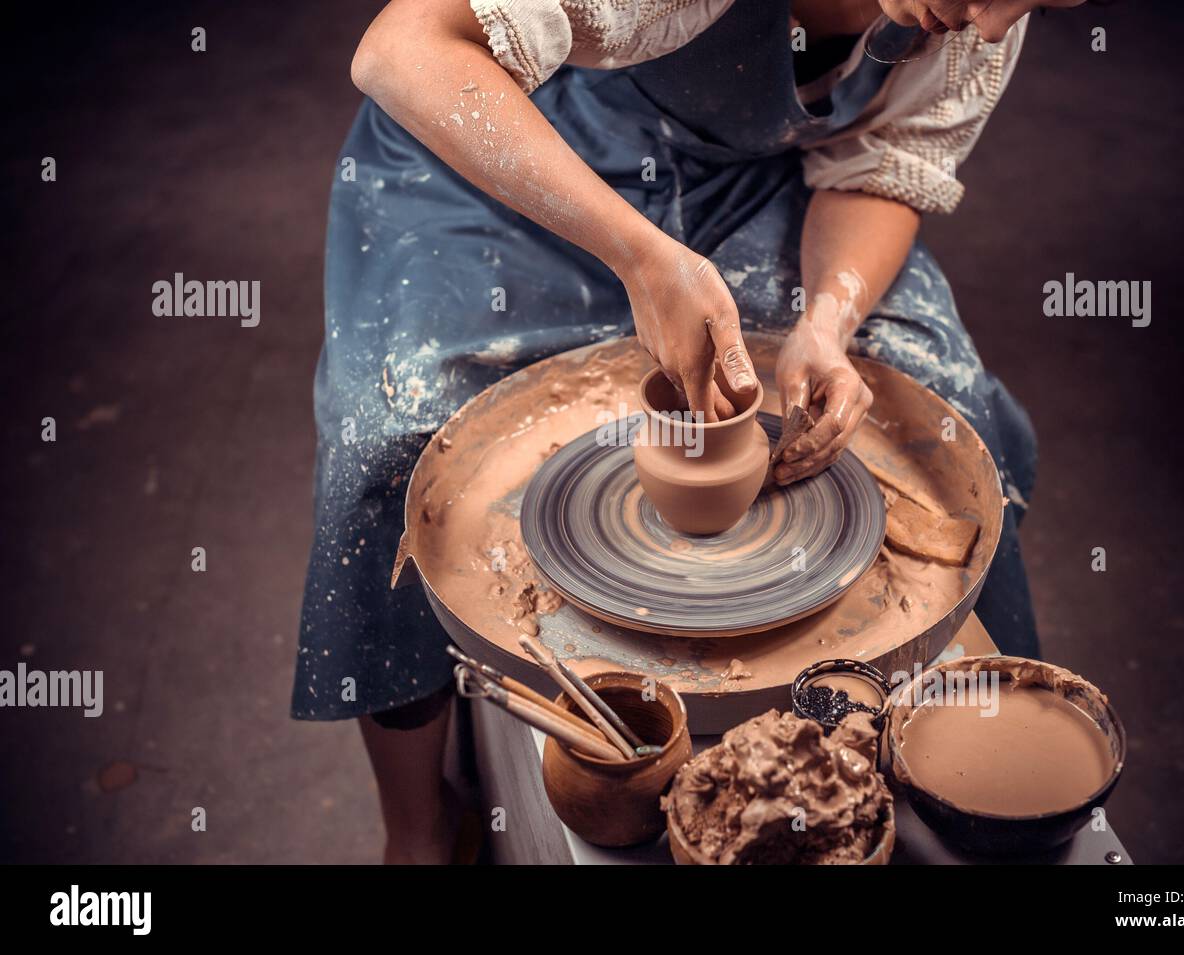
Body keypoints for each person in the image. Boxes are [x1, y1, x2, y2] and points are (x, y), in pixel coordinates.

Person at [292, 0, 1085, 863]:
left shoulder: (979, 17)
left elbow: (882, 164)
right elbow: (405, 48)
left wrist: (829, 319)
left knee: (946, 408)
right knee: (389, 442)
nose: (997, 23)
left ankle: (948, 779)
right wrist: (637, 253)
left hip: (738, 177)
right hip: (498, 144)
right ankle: (418, 821)